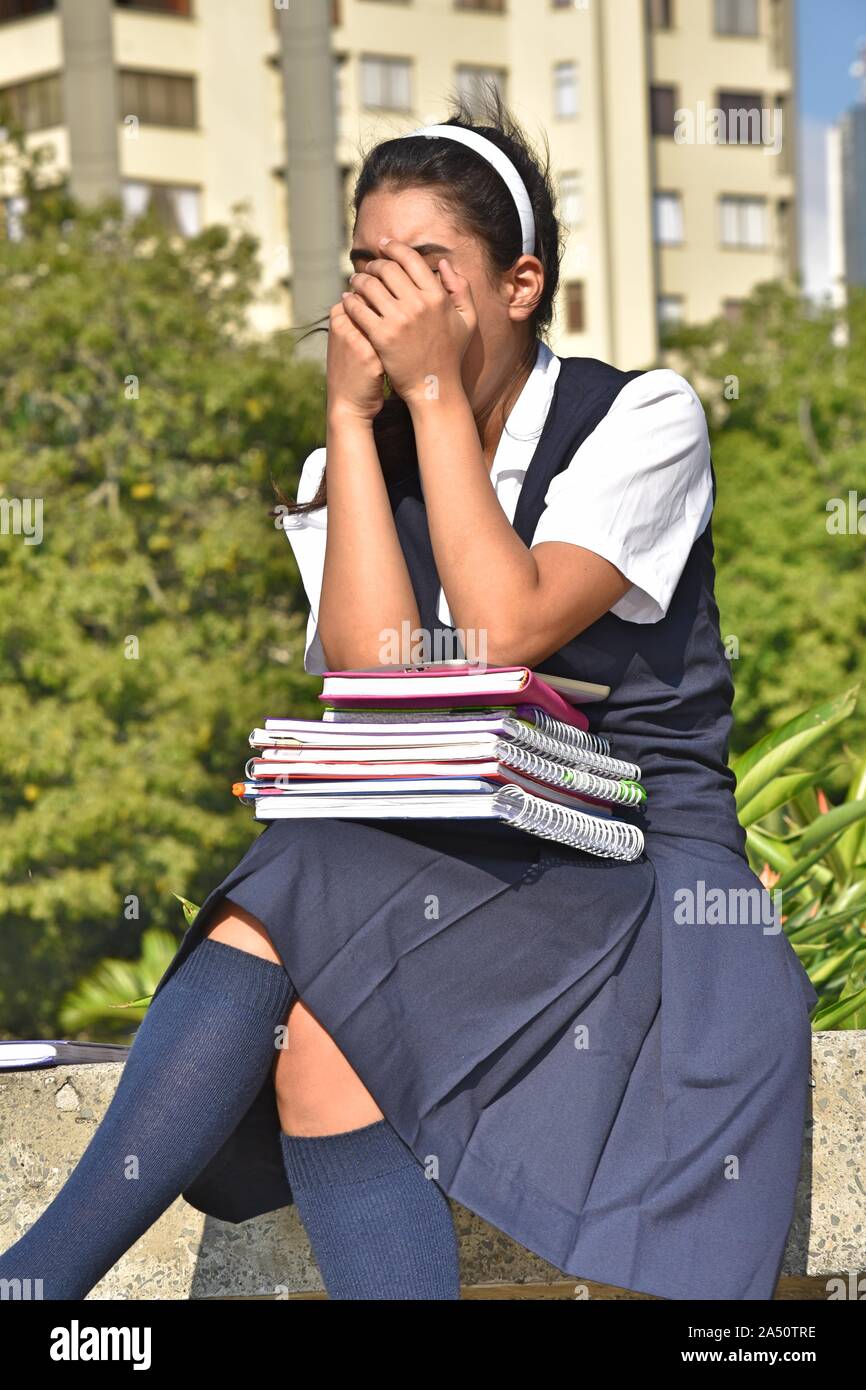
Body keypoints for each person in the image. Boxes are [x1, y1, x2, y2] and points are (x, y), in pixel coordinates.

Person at [0, 88, 817, 1303]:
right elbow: (379, 682)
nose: (394, 297)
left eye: (431, 263)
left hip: (638, 860)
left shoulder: (642, 416)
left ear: (518, 284)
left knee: (293, 890)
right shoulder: (352, 459)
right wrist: (347, 412)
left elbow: (502, 627)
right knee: (322, 1018)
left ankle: (31, 1282)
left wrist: (433, 397)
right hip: (468, 854)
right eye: (370, 265)